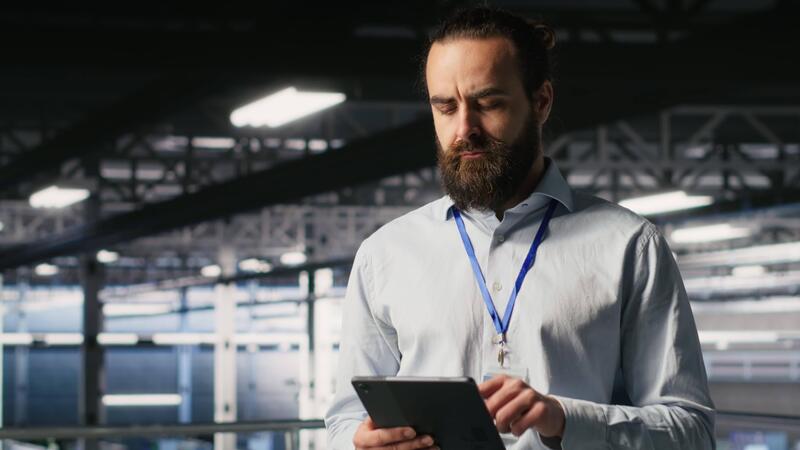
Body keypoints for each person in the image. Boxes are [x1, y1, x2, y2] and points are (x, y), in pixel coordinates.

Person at [325, 7, 715, 450]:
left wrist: (565, 419)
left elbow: (691, 432)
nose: (464, 129)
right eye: (446, 107)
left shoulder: (629, 246)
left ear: (541, 102)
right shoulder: (385, 255)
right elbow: (345, 422)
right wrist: (362, 443)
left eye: (488, 103)